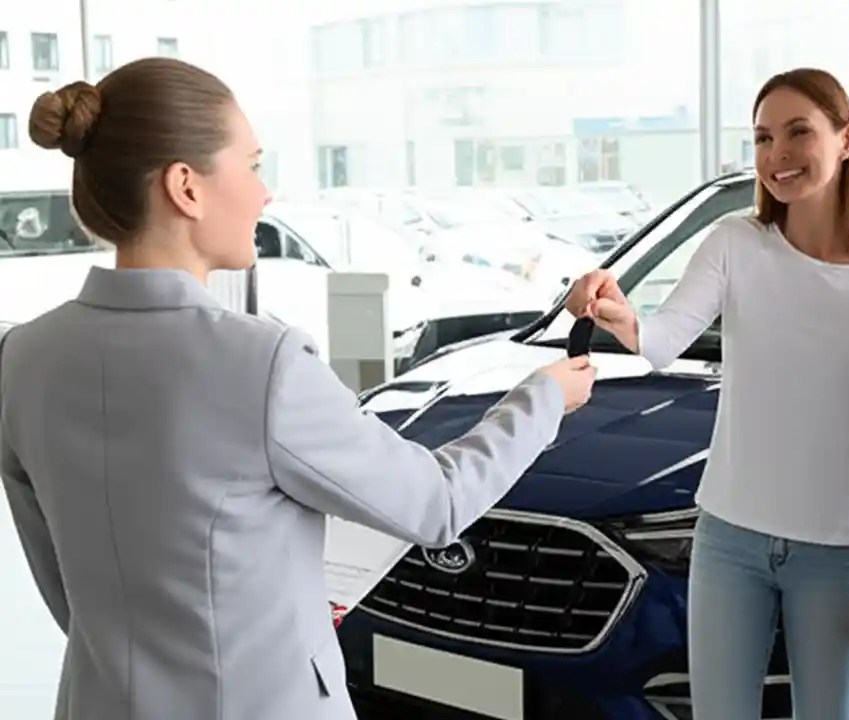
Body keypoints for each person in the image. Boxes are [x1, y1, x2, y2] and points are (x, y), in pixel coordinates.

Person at [0, 58, 596, 720]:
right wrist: (543, 398)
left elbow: (67, 595)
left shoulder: (23, 358)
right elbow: (437, 505)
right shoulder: (260, 363)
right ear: (186, 187)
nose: (265, 195)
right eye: (252, 165)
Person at [566, 68, 849, 719]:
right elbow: (663, 338)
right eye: (762, 138)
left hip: (839, 554)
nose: (776, 155)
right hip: (729, 540)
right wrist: (615, 309)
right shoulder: (736, 242)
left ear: (848, 139)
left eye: (797, 133)